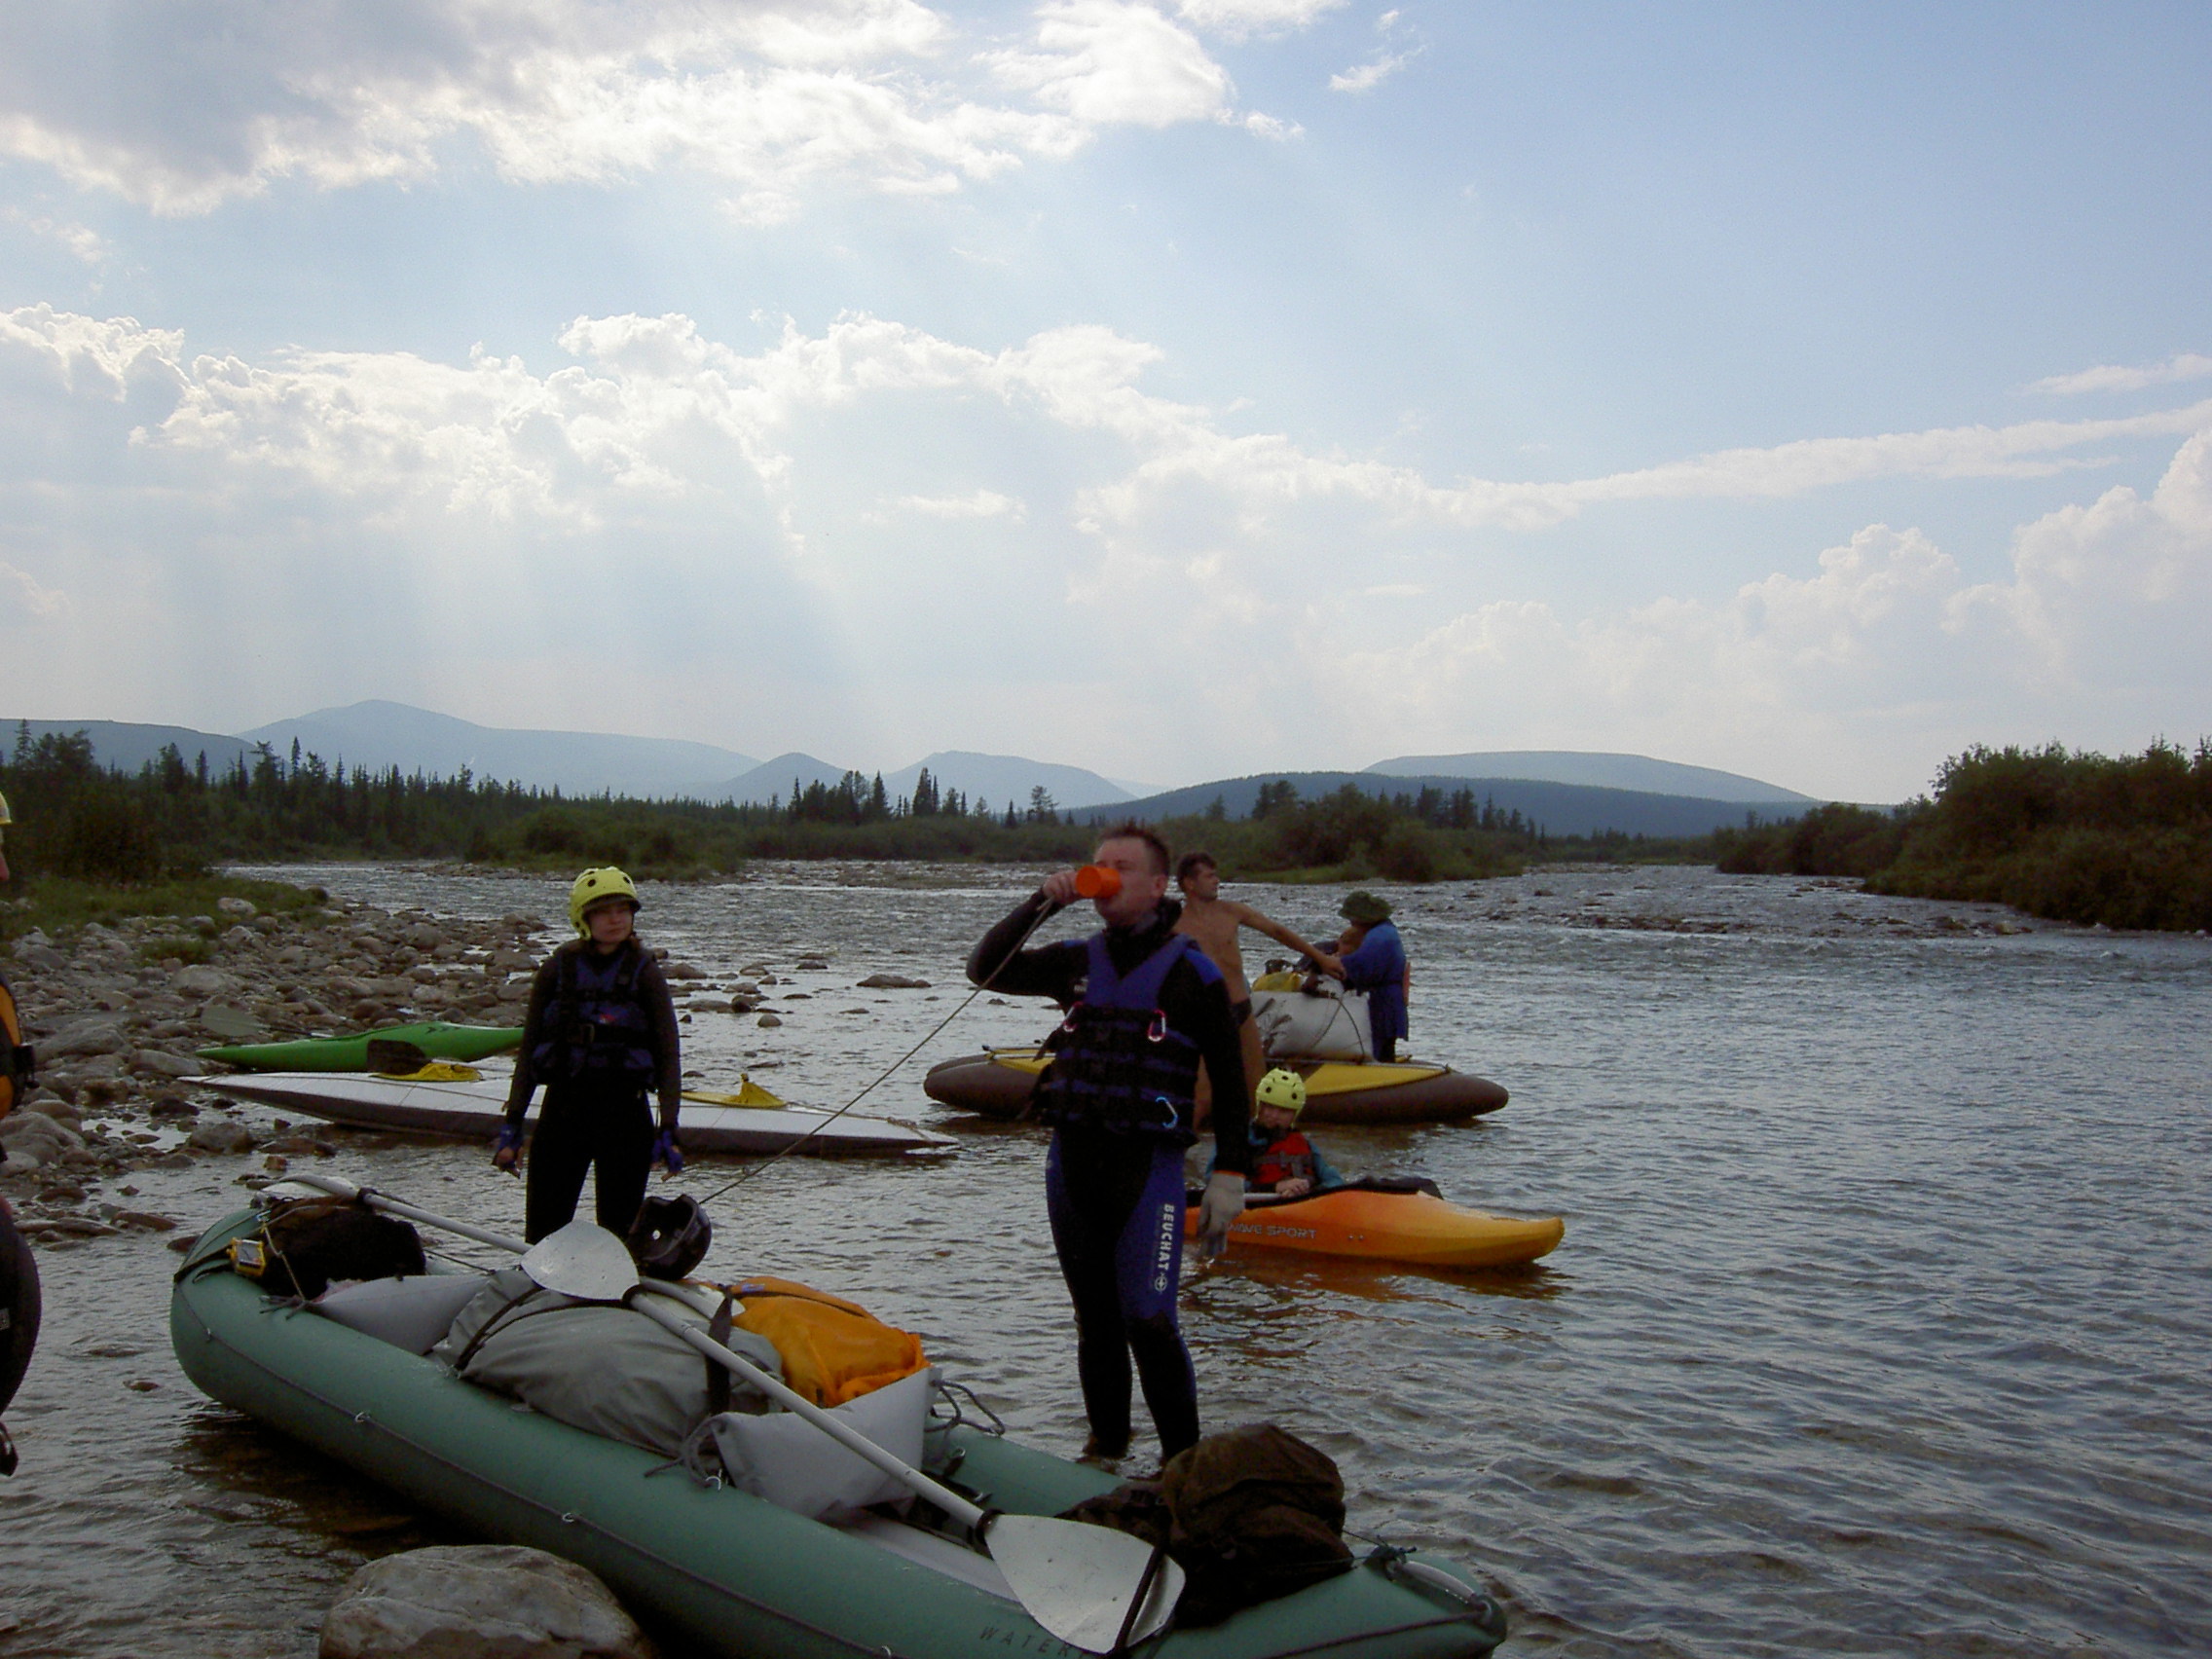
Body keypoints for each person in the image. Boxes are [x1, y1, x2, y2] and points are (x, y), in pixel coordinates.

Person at [967, 824, 1249, 1462]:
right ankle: (1106, 1453)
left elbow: (1232, 1085)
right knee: (1096, 1324)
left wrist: (1232, 1172)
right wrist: (1042, 902)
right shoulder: (1074, 960)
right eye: (1098, 864)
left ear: (1156, 886)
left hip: (1146, 1170)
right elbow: (984, 970)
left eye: (1121, 866)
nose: (1105, 874)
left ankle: (1185, 1468)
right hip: (1072, 1168)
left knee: (1148, 1320)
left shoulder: (1193, 976)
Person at [495, 867, 684, 1242]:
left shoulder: (645, 973)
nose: (615, 919)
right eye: (603, 911)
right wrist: (512, 1126)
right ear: (583, 917)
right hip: (564, 1112)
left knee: (619, 1235)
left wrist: (669, 1129)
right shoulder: (557, 969)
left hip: (626, 1117)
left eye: (623, 910)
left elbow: (668, 1054)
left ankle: (616, 1297)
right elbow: (530, 1049)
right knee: (543, 1232)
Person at [1171, 852, 1338, 1124]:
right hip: (1203, 1016)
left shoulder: (1232, 911)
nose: (1217, 880)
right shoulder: (1174, 925)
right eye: (1209, 876)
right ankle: (1179, 1159)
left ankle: (1258, 1151)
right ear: (1189, 884)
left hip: (1240, 1010)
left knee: (1258, 1089)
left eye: (1216, 874)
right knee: (1202, 1097)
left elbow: (1278, 931)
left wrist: (1320, 958)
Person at [1211, 1068, 1345, 1198]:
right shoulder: (1236, 1140)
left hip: (1301, 1203)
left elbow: (1335, 1182)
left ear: (1294, 1115)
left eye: (1283, 1111)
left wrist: (1306, 1189)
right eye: (1269, 1107)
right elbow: (1215, 1180)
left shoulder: (1306, 1145)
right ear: (1260, 1106)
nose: (1274, 1115)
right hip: (1254, 1207)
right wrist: (1275, 1187)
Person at [1333, 891, 1409, 1061]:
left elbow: (1362, 967)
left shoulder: (1379, 937)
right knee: (1385, 1045)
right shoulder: (1385, 931)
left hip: (1384, 1003)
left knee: (1380, 1046)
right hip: (1390, 1000)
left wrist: (1333, 965)